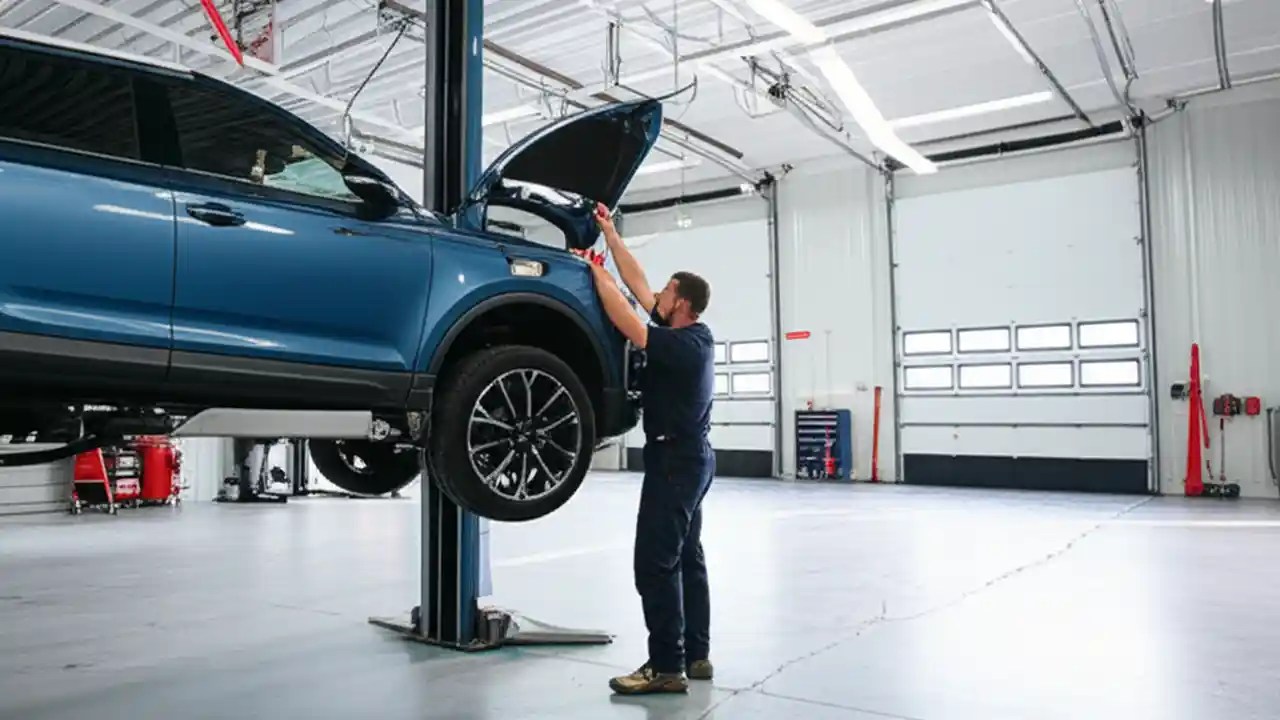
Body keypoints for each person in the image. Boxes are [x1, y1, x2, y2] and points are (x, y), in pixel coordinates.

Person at [584, 204, 717, 695]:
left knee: (654, 563)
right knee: (687, 557)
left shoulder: (687, 345)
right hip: (692, 458)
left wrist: (594, 273)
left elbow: (629, 321)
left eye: (665, 292)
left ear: (680, 303)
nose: (656, 294)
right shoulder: (684, 333)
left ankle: (665, 668)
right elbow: (637, 284)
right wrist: (609, 232)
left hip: (675, 462)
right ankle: (696, 655)